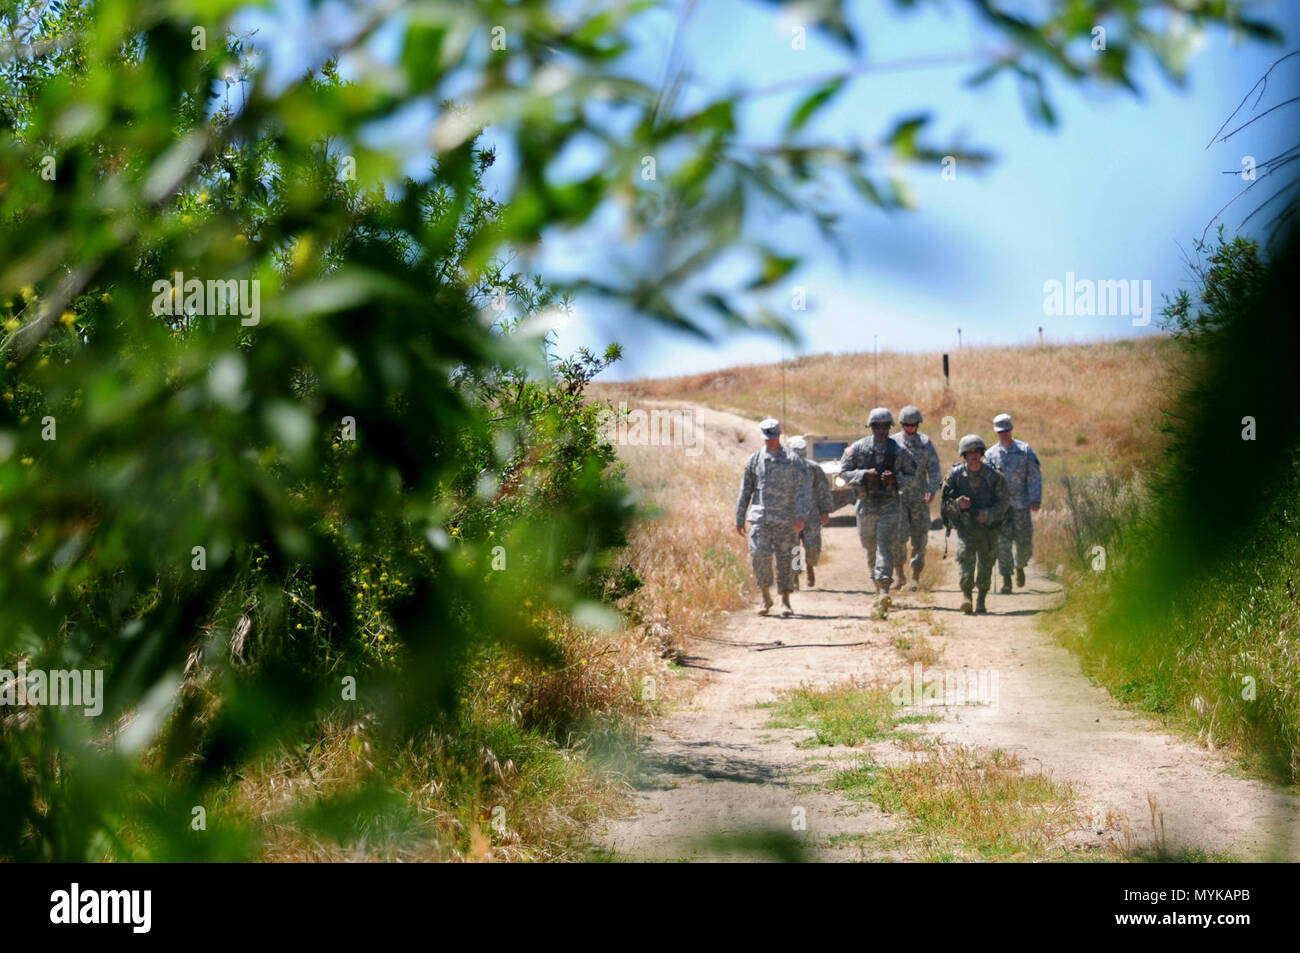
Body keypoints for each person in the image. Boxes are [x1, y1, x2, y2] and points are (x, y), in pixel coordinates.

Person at [838, 407, 917, 608]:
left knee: (885, 544)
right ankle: (876, 584)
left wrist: (895, 479)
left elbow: (913, 477)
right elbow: (844, 472)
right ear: (871, 427)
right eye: (877, 426)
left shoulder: (900, 452)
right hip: (866, 503)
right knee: (869, 545)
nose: (881, 430)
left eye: (884, 426)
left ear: (890, 428)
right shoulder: (858, 449)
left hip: (890, 504)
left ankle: (884, 588)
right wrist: (864, 474)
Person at [735, 418, 809, 616]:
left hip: (786, 520)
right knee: (759, 556)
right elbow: (746, 490)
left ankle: (785, 600)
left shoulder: (793, 460)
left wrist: (801, 516)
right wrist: (739, 517)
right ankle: (766, 598)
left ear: (779, 435)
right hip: (761, 519)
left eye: (774, 437)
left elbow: (803, 490)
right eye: (767, 438)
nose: (771, 441)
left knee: (785, 561)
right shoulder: (755, 460)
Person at [941, 434, 1010, 614]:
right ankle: (967, 597)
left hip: (988, 528)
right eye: (969, 452)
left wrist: (988, 514)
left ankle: (981, 599)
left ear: (981, 453)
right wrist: (958, 504)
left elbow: (1004, 503)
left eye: (976, 451)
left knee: (987, 562)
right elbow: (945, 505)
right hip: (966, 527)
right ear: (963, 455)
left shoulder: (994, 476)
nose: (973, 455)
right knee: (965, 559)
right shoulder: (955, 476)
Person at [983, 413, 1042, 594]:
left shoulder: (1024, 451)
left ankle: (1020, 566)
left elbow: (1034, 475)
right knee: (1002, 543)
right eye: (1001, 432)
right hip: (1002, 508)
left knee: (1024, 542)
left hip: (1022, 505)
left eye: (1007, 431)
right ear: (996, 432)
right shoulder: (991, 454)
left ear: (1011, 429)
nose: (1004, 434)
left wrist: (1035, 498)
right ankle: (1006, 579)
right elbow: (987, 481)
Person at [891, 405, 942, 591]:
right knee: (898, 538)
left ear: (918, 425)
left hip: (920, 499)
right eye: (907, 425)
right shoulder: (893, 443)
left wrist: (931, 489)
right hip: (899, 499)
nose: (911, 428)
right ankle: (899, 576)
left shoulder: (925, 443)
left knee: (920, 538)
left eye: (914, 425)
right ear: (902, 425)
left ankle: (915, 577)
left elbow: (935, 469)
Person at [789, 436, 833, 587]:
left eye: (802, 453)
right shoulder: (785, 469)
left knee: (813, 546)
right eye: (797, 453)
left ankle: (810, 568)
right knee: (793, 547)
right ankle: (794, 576)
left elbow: (823, 490)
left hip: (812, 514)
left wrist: (825, 511)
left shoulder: (814, 468)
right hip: (792, 515)